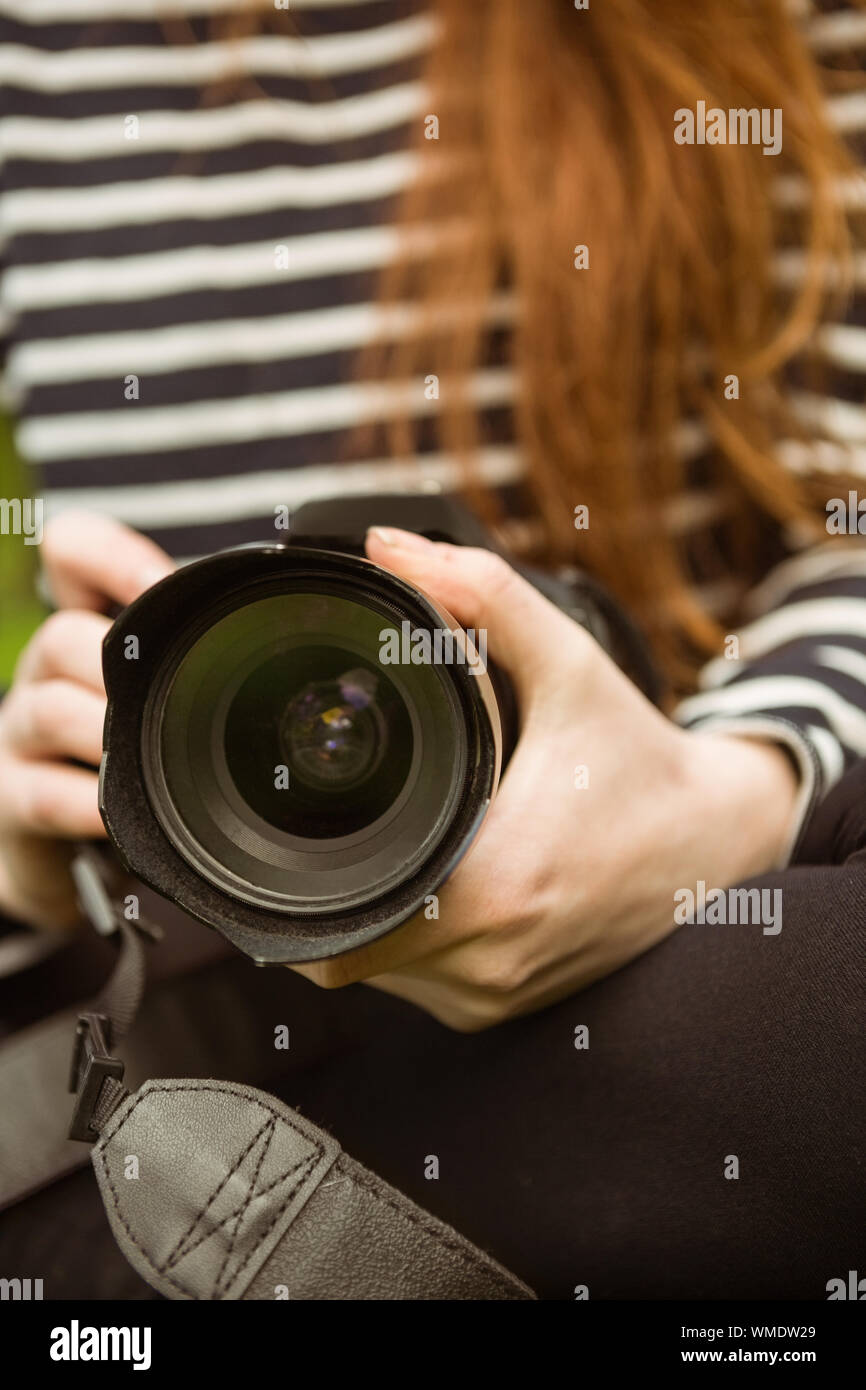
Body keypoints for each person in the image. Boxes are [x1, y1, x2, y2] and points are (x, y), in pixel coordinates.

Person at [0, 0, 863, 1299]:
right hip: (238, 974)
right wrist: (32, 868)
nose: (342, 718)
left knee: (787, 988)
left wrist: (724, 804)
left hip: (704, 908)